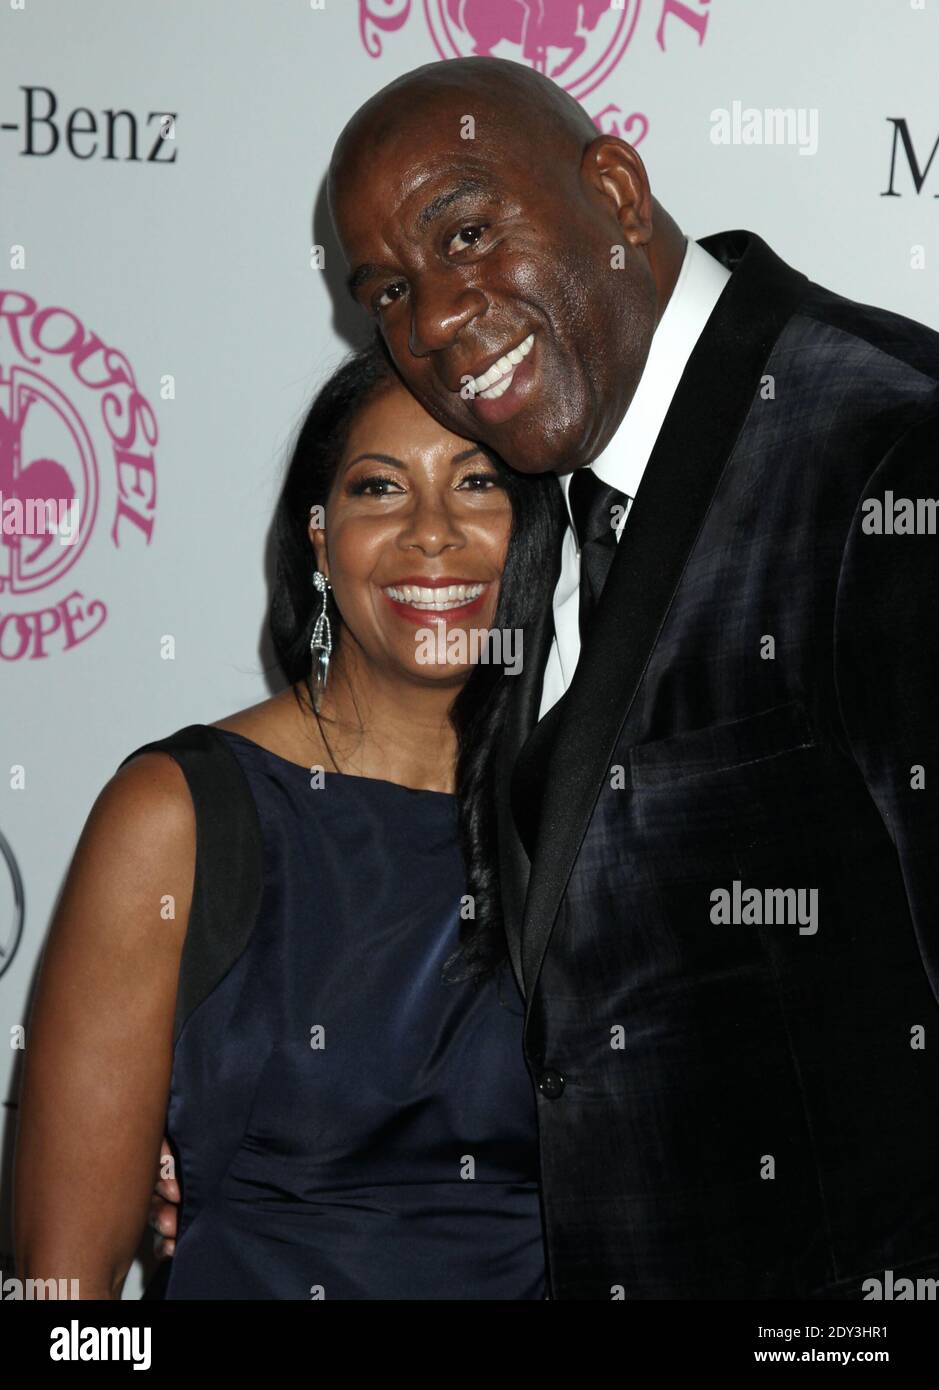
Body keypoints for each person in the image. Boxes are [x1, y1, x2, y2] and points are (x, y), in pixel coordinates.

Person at [144, 53, 939, 1299]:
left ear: (617, 190)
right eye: (389, 292)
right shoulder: (542, 502)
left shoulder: (887, 449)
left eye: (467, 232)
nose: (437, 321)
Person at [13, 336, 562, 1300]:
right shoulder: (179, 815)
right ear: (318, 535)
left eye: (477, 484)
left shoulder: (588, 813)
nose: (432, 532)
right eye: (379, 489)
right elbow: (67, 1282)